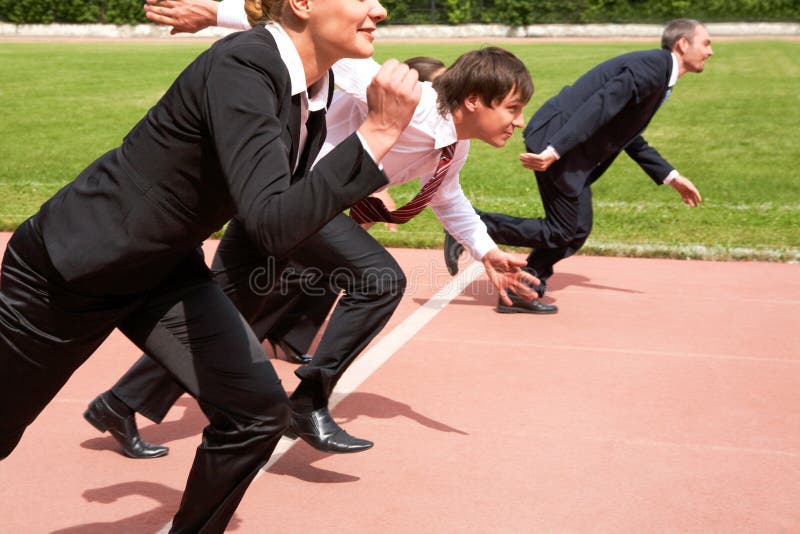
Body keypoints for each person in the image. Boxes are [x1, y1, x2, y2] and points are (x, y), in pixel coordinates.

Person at [0, 0, 424, 530]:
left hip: (161, 270)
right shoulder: (243, 66)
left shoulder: (316, 85)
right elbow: (269, 224)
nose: (379, 10)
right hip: (68, 269)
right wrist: (379, 134)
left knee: (256, 414)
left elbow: (279, 205)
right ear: (303, 4)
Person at [85, 45, 539, 458]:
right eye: (513, 108)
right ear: (475, 99)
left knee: (226, 316)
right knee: (380, 280)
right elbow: (326, 49)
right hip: (292, 192)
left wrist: (485, 251)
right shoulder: (410, 100)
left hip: (283, 207)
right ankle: (308, 402)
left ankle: (117, 403)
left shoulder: (452, 146)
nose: (519, 121)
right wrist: (224, 11)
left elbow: (446, 198)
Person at [444, 18, 708, 314]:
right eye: (706, 43)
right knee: (563, 230)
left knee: (575, 229)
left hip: (568, 148)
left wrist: (669, 176)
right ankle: (475, 229)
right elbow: (599, 106)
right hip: (558, 141)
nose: (710, 52)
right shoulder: (651, 69)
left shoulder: (658, 74)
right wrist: (555, 151)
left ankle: (525, 285)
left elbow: (626, 132)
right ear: (683, 44)